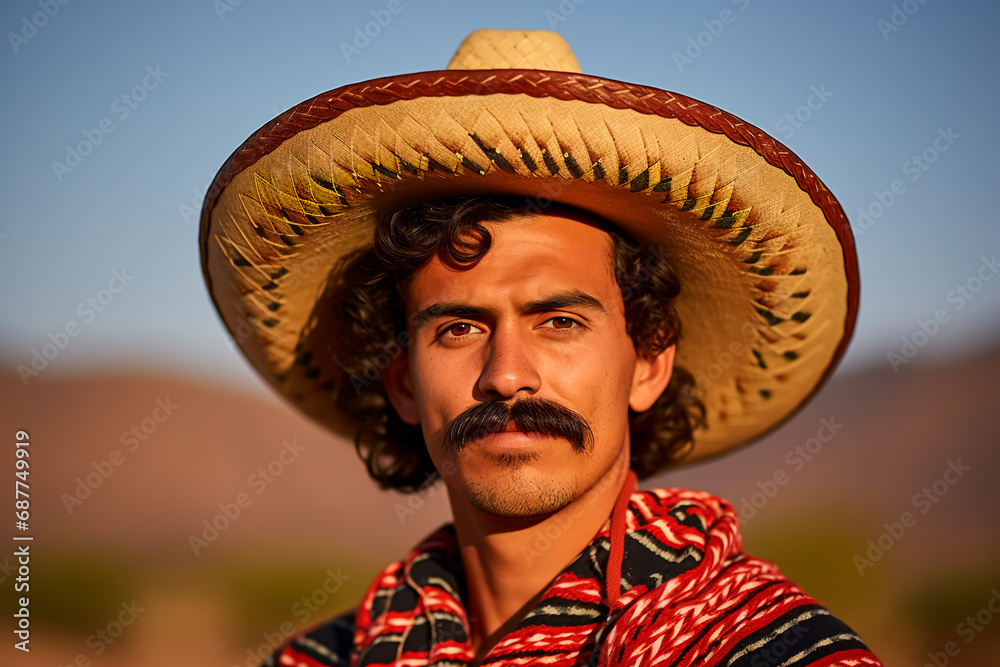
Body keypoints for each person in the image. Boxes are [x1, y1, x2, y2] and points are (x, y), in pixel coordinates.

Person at [199, 30, 880, 666]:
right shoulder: (327, 657)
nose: (507, 376)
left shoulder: (772, 651)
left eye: (558, 321)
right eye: (458, 328)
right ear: (402, 381)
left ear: (647, 361)